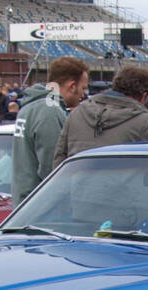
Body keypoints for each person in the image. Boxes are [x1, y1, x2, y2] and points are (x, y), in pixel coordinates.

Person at [54, 66, 148, 165]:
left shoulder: (77, 113)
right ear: (144, 97)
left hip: (78, 190)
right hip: (126, 192)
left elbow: (59, 160)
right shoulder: (146, 122)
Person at [12, 57, 90, 203]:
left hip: (24, 201)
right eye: (83, 88)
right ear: (72, 86)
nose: (83, 95)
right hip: (41, 206)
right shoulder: (49, 111)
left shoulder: (29, 107)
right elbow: (51, 167)